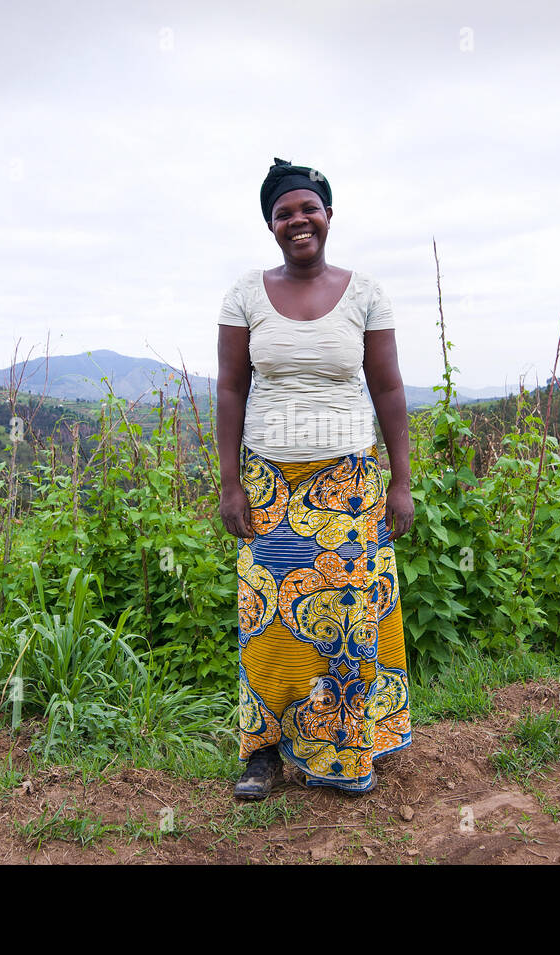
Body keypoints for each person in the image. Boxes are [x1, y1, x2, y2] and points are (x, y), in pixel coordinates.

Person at [216, 157, 414, 799]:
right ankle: (263, 756)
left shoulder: (365, 293)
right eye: (283, 212)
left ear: (328, 215)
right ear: (271, 225)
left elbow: (387, 386)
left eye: (308, 208)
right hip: (269, 481)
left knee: (348, 617)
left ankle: (347, 749)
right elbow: (229, 389)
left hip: (350, 482)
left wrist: (401, 482)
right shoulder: (245, 293)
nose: (297, 220)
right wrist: (229, 482)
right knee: (268, 618)